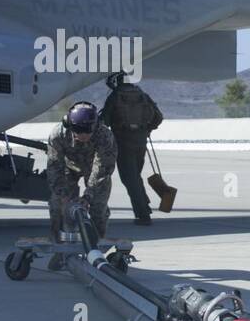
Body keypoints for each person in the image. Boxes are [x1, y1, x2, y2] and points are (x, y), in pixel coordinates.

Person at [45, 101, 117, 270]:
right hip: (69, 168)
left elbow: (102, 169)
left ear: (95, 126)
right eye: (78, 131)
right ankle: (60, 250)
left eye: (87, 131)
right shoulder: (58, 134)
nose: (83, 135)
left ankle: (95, 251)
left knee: (98, 208)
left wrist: (88, 196)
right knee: (57, 206)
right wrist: (63, 195)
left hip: (95, 168)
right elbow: (54, 167)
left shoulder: (104, 136)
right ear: (69, 125)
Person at [100, 73, 163, 226]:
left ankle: (143, 215)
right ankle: (145, 207)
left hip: (123, 142)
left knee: (130, 179)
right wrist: (146, 129)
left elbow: (105, 121)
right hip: (140, 141)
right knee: (135, 177)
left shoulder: (115, 96)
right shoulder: (142, 95)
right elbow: (158, 117)